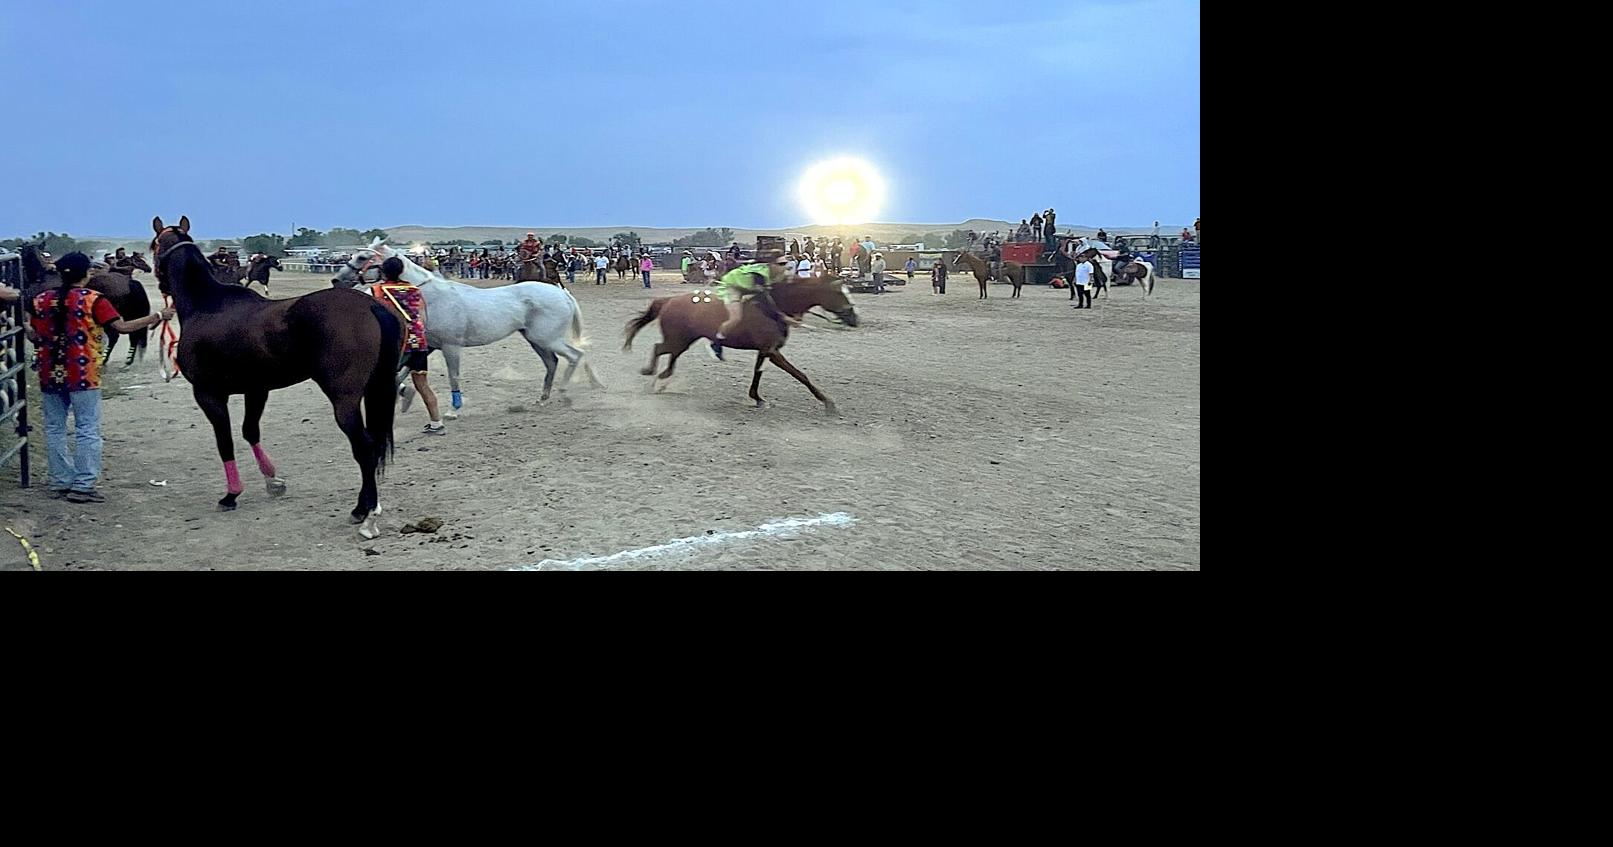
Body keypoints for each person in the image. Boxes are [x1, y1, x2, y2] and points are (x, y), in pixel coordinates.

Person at [26, 252, 173, 501]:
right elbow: (122, 328)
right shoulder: (93, 300)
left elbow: (34, 337)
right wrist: (158, 316)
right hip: (83, 373)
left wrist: (22, 323)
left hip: (49, 372)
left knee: (54, 428)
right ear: (86, 274)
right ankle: (83, 484)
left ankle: (60, 480)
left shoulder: (41, 300)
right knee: (87, 429)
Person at [371, 256, 445, 435]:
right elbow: (423, 318)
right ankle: (437, 423)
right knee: (422, 384)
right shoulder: (414, 290)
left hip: (396, 343)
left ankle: (383, 427)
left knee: (380, 383)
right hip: (418, 341)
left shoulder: (378, 290)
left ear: (383, 272)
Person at [709, 252, 799, 361]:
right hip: (732, 286)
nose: (784, 267)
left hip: (751, 287)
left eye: (786, 263)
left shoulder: (779, 273)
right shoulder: (760, 275)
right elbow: (765, 300)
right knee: (735, 318)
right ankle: (717, 341)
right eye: (781, 264)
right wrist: (784, 318)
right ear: (771, 264)